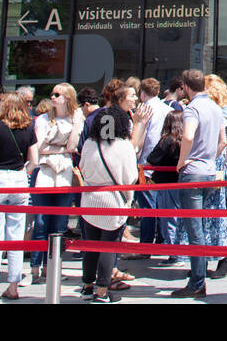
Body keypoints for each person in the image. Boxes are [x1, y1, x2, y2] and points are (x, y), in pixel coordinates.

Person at [0, 93, 38, 303]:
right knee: (15, 235)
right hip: (19, 179)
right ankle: (13, 286)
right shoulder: (29, 129)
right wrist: (24, 173)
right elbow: (34, 160)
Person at [172, 69, 225, 299]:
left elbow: (188, 136)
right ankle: (198, 278)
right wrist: (209, 158)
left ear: (185, 86)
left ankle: (197, 281)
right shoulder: (215, 107)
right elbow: (223, 140)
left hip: (193, 172)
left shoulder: (192, 108)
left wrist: (182, 161)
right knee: (200, 227)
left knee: (194, 230)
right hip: (210, 172)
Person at [78, 103, 139, 303]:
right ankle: (102, 290)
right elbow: (131, 176)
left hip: (89, 199)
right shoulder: (123, 145)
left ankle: (87, 286)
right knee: (108, 246)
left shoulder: (88, 143)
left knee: (91, 245)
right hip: (114, 199)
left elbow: (82, 168)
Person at [29, 82, 83, 282]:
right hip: (44, 172)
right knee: (41, 223)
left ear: (67, 97)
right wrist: (61, 149)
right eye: (52, 94)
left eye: (57, 94)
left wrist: (76, 124)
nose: (53, 97)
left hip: (64, 174)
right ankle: (35, 267)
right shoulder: (43, 119)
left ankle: (53, 268)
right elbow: (39, 147)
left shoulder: (74, 119)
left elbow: (72, 146)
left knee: (60, 225)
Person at [201, 74, 227, 279]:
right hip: (208, 162)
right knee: (205, 212)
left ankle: (225, 258)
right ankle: (203, 258)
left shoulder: (223, 111)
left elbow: (219, 137)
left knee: (220, 210)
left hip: (217, 165)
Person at [135, 79, 172, 245]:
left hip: (146, 163)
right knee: (162, 206)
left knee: (147, 208)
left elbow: (142, 138)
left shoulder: (143, 110)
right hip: (165, 163)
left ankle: (146, 243)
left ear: (142, 93)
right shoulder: (168, 110)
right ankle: (162, 240)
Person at [147, 110, 190, 254]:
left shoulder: (168, 140)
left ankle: (174, 252)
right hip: (183, 181)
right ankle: (180, 249)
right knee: (180, 218)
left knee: (169, 218)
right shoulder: (187, 139)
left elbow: (152, 159)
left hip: (166, 183)